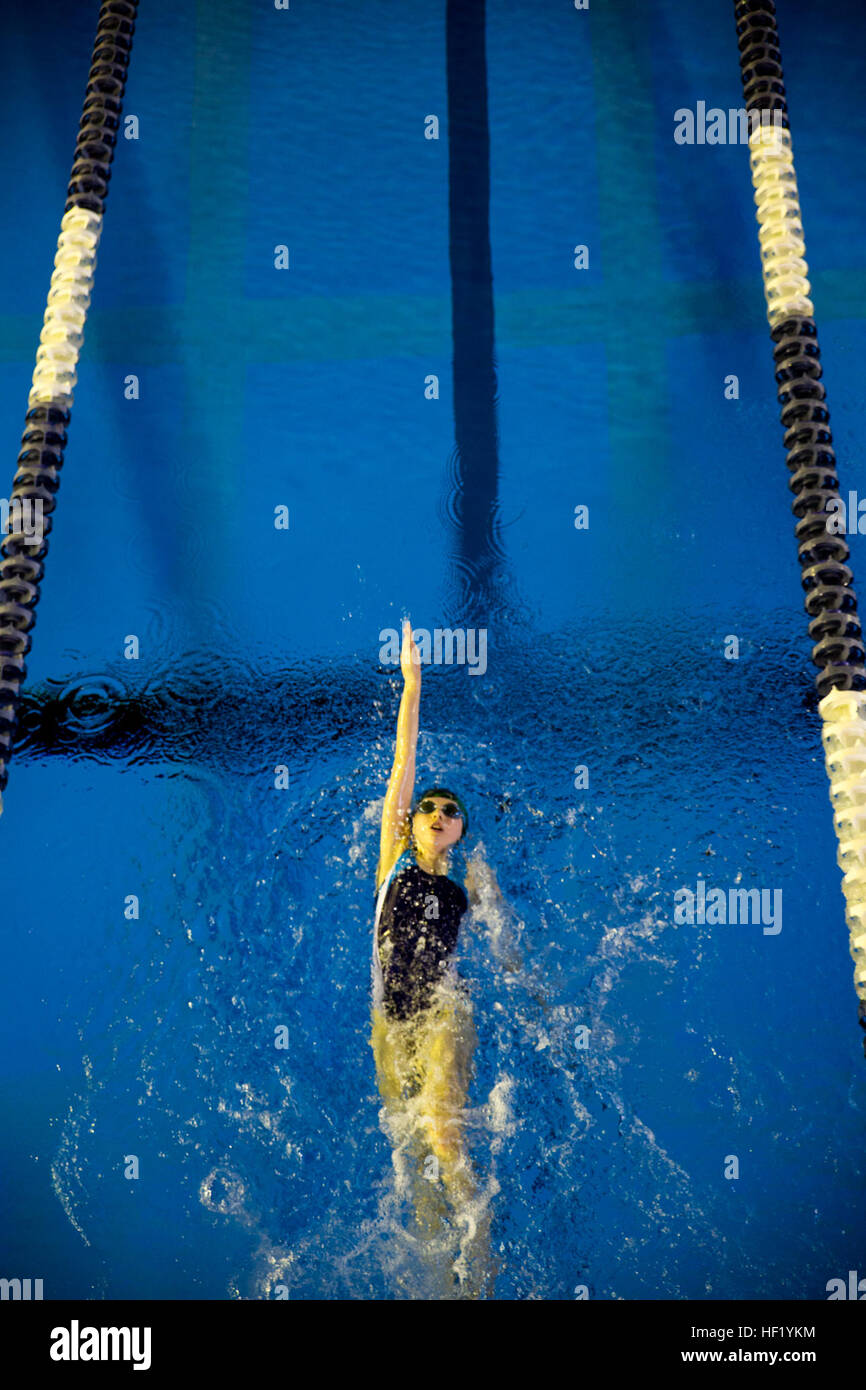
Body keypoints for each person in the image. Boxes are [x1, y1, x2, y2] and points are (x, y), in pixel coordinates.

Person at [371, 618, 481, 1228]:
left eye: (451, 810)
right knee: (411, 1164)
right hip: (388, 1023)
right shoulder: (392, 860)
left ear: (461, 831)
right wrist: (412, 685)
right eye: (428, 808)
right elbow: (402, 765)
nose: (437, 812)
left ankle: (483, 1242)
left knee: (442, 1136)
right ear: (411, 824)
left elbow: (504, 944)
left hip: (444, 1010)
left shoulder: (466, 884)